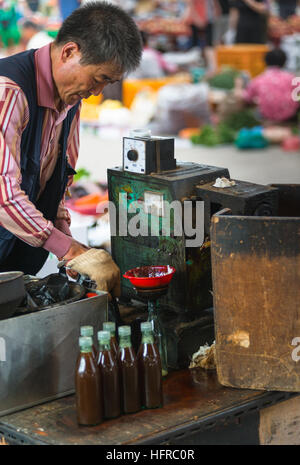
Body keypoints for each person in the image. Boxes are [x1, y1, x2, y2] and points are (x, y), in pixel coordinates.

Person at [0, 2, 142, 283]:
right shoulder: (10, 91)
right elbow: (4, 195)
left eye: (108, 83)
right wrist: (69, 248)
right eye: (99, 79)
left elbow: (58, 181)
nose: (97, 91)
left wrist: (69, 241)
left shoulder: (70, 99)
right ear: (69, 52)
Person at [234, 48, 300, 122]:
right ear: (285, 62)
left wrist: (238, 85)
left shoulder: (259, 80)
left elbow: (246, 98)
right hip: (290, 116)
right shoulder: (291, 78)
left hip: (267, 117)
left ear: (265, 62)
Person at [182, 0, 221, 73]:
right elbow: (190, 5)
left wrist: (217, 10)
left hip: (208, 20)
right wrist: (196, 18)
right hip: (196, 20)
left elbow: (213, 4)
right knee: (195, 47)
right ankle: (194, 69)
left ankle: (210, 67)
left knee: (209, 44)